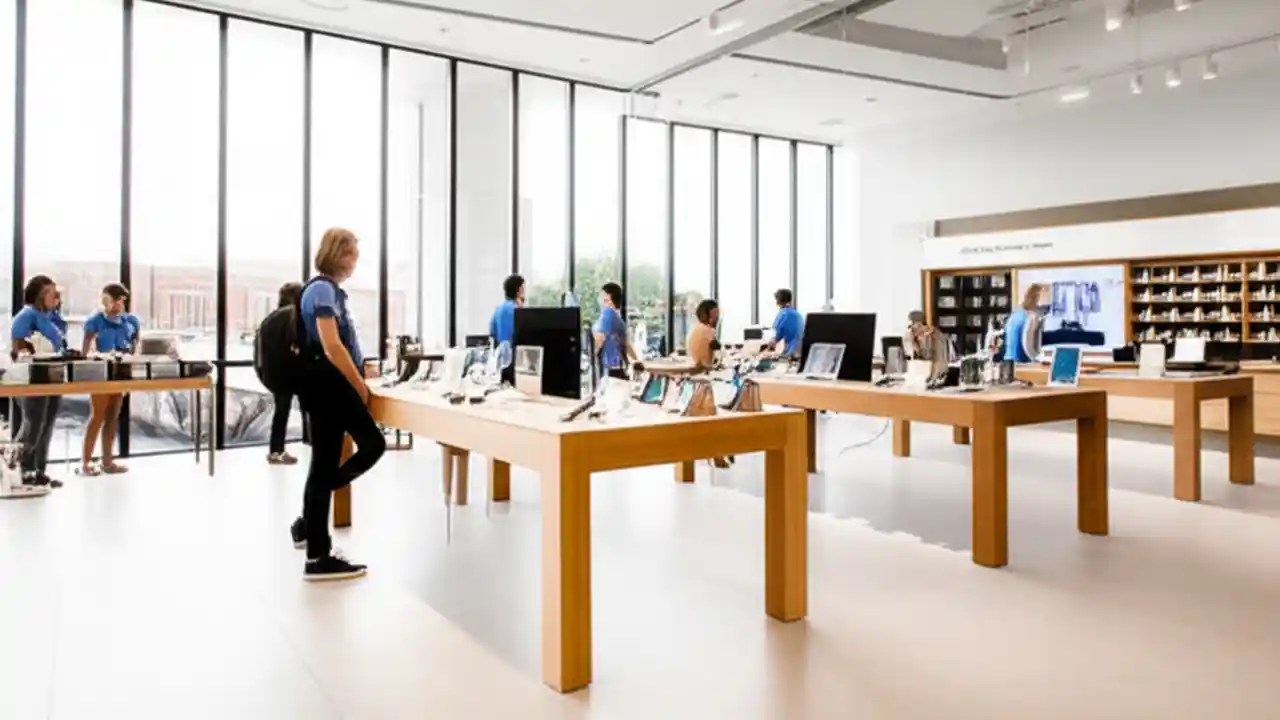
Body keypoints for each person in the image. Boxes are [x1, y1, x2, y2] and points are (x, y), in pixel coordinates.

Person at [289, 228, 387, 582]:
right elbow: (331, 346)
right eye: (352, 253)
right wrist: (359, 384)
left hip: (329, 386)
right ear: (336, 253)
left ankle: (310, 528)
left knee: (322, 466)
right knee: (373, 445)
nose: (356, 260)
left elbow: (341, 344)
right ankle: (316, 554)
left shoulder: (331, 292)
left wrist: (364, 368)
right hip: (329, 386)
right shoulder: (321, 290)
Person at [10, 275, 67, 488]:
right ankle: (15, 468)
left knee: (47, 425)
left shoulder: (50, 317)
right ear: (41, 295)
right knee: (33, 425)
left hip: (52, 375)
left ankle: (38, 470)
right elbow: (19, 347)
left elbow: (59, 341)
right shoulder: (26, 315)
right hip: (31, 376)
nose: (57, 296)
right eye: (53, 293)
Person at [79, 283, 141, 476]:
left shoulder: (130, 321)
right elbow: (86, 348)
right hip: (100, 371)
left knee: (113, 417)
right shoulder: (95, 320)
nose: (119, 304)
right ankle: (86, 463)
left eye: (122, 300)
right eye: (116, 300)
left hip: (121, 370)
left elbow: (136, 344)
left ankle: (108, 461)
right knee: (97, 416)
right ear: (106, 301)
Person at [264, 282, 303, 466]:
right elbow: (297, 344)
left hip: (273, 373)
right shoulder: (292, 315)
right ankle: (315, 443)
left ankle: (276, 450)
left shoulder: (271, 318)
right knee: (309, 408)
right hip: (289, 372)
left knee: (281, 413)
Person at [593, 282, 638, 379]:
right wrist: (638, 363)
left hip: (607, 371)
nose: (599, 298)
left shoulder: (607, 314)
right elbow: (627, 345)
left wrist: (589, 361)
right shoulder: (618, 318)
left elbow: (599, 340)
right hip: (618, 370)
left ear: (608, 297)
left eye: (601, 295)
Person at [1004, 284, 1047, 363]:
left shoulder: (1015, 315)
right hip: (1022, 361)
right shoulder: (1031, 317)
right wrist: (1036, 359)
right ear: (1036, 299)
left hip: (1009, 359)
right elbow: (1028, 345)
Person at [489, 273, 524, 347]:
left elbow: (492, 333)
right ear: (519, 290)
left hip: (502, 353)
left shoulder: (498, 310)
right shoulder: (518, 311)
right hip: (516, 353)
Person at [686, 299, 720, 371]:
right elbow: (716, 346)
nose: (716, 319)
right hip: (704, 368)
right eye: (715, 315)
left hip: (695, 365)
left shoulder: (696, 327)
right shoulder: (706, 329)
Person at [770, 289, 804, 357]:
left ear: (778, 301)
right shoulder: (797, 314)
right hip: (801, 348)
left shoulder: (783, 314)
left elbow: (778, 332)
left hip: (791, 350)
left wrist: (772, 343)